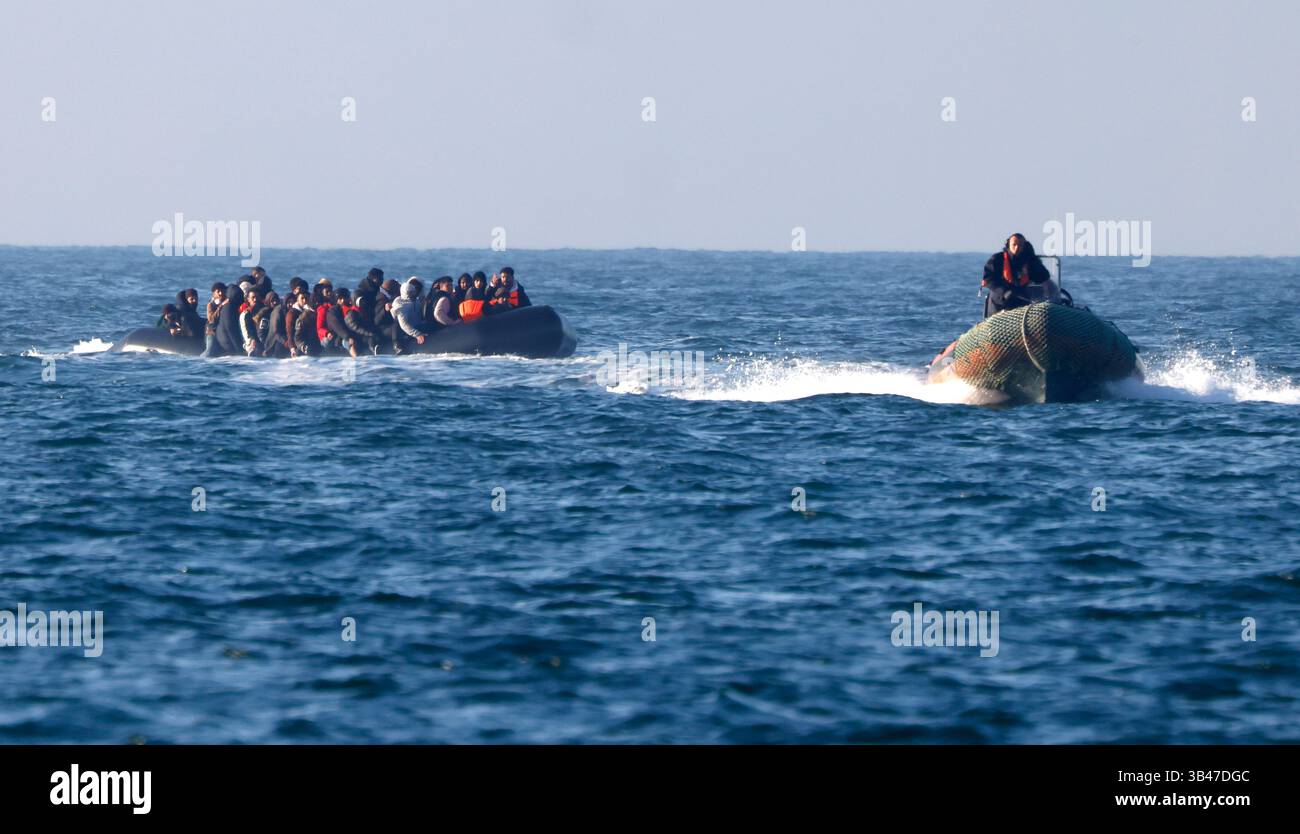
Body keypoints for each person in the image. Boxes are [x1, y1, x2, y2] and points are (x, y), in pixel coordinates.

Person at [982, 233, 1050, 318]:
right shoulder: (998, 259)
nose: (1017, 248)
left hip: (1021, 302)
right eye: (1014, 245)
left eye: (1020, 245)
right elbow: (988, 279)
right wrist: (1004, 292)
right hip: (999, 302)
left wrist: (1034, 260)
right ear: (1008, 245)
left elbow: (1044, 276)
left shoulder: (1029, 260)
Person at [391, 277, 438, 354]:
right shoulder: (401, 305)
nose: (412, 293)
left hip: (417, 326)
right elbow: (404, 325)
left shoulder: (417, 301)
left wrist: (433, 290)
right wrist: (417, 334)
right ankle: (397, 346)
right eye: (409, 292)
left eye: (413, 291)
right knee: (396, 324)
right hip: (404, 331)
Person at [214, 284, 245, 356]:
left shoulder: (229, 305)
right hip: (227, 343)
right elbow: (230, 328)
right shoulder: (229, 307)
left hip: (224, 339)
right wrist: (239, 349)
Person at [200, 283, 226, 357]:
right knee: (210, 352)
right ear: (214, 293)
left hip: (222, 330)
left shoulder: (227, 302)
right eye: (218, 291)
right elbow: (211, 319)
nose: (220, 293)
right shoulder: (210, 305)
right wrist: (221, 306)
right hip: (212, 331)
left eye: (222, 291)